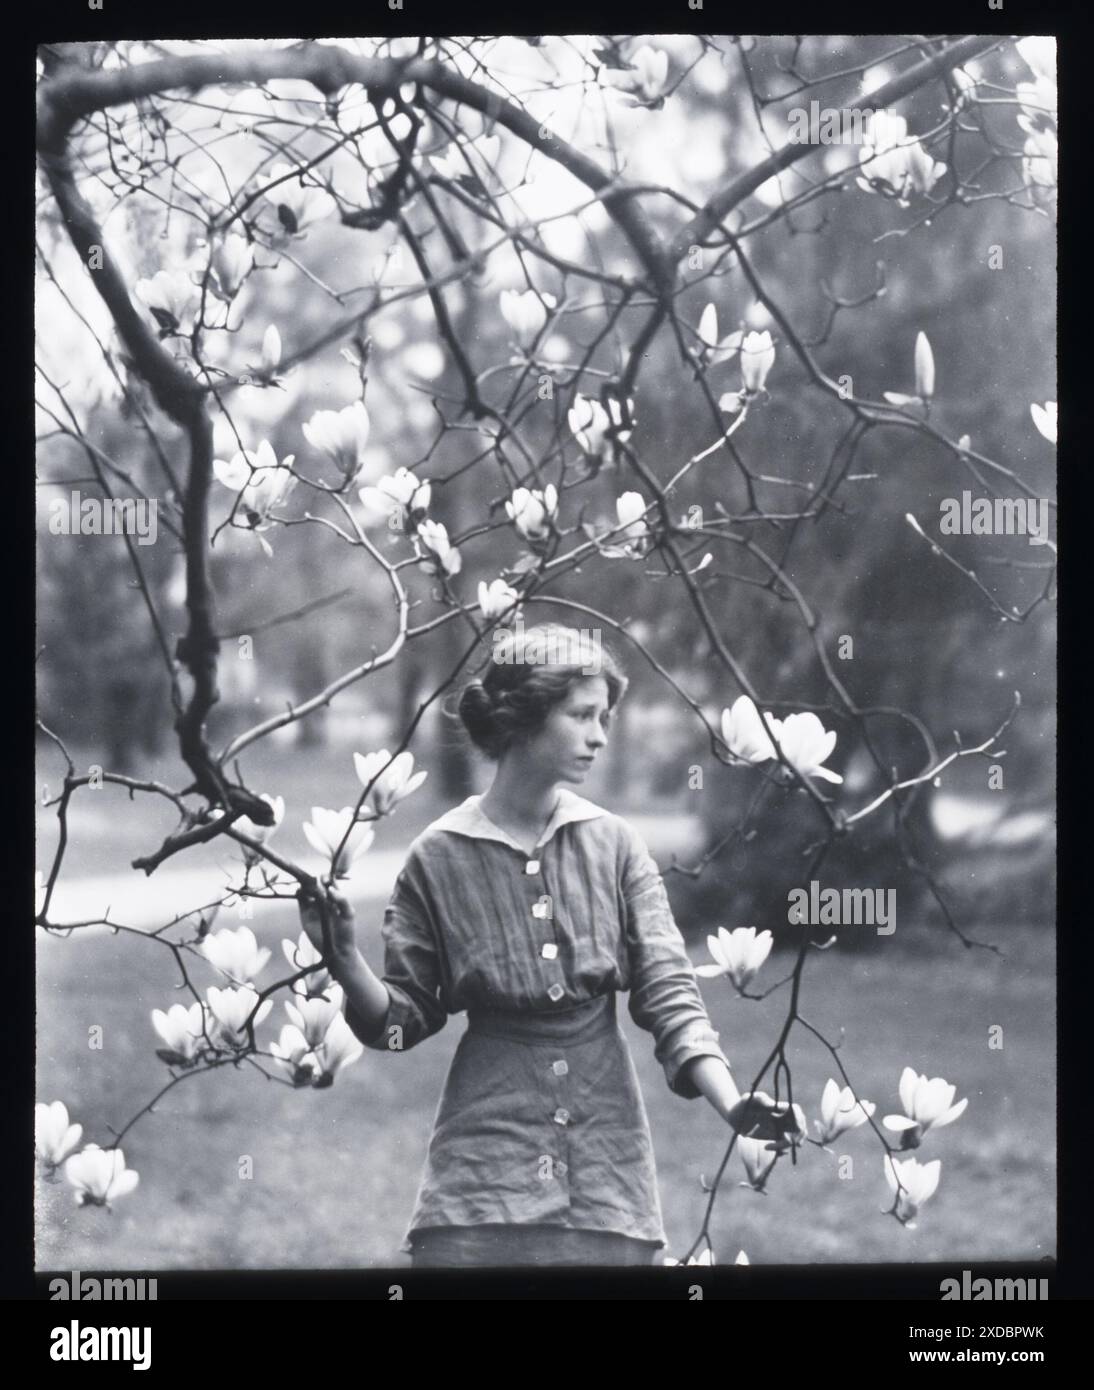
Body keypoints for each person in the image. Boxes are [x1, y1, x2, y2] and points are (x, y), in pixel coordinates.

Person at [297, 622, 785, 1268]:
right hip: (480, 1178)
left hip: (605, 1166)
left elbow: (671, 997)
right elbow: (399, 1023)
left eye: (605, 716)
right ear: (524, 716)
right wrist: (343, 959)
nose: (600, 735)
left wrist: (731, 1103)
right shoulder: (437, 857)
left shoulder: (615, 846)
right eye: (582, 715)